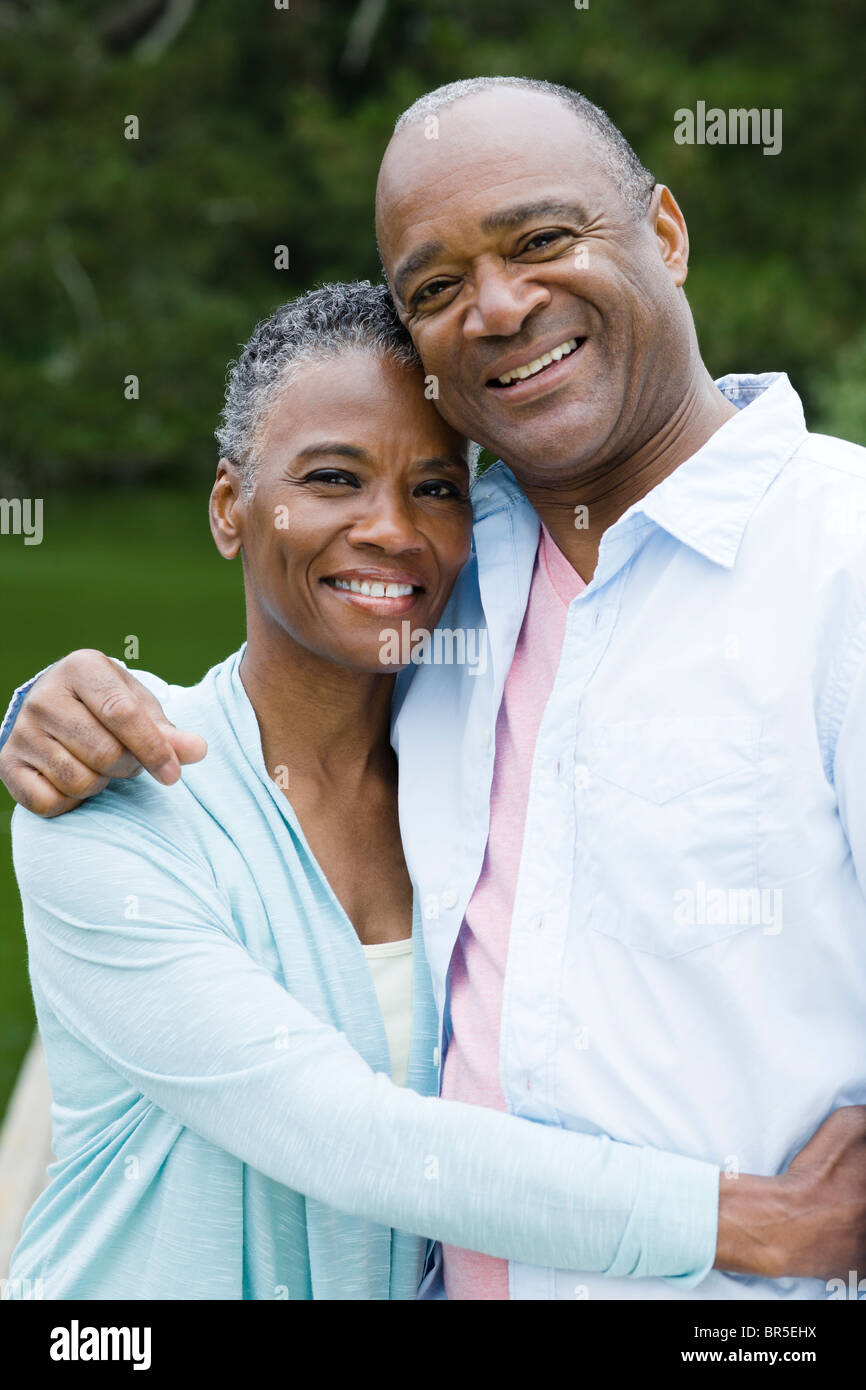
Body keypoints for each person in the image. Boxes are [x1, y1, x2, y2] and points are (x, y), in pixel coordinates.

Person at [4, 80, 866, 1301]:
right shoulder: (472, 577)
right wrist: (41, 702)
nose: (500, 306)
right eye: (435, 288)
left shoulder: (836, 555)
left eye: (541, 239)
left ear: (665, 235)